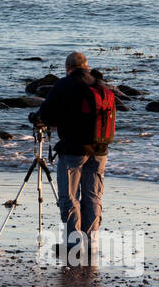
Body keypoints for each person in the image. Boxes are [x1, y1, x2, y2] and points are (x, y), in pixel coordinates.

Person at [34, 52, 115, 266]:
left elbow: (47, 116)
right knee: (93, 196)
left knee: (70, 198)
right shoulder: (100, 86)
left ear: (68, 67)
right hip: (100, 150)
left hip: (73, 150)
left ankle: (73, 245)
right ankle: (91, 244)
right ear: (86, 66)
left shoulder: (64, 85)